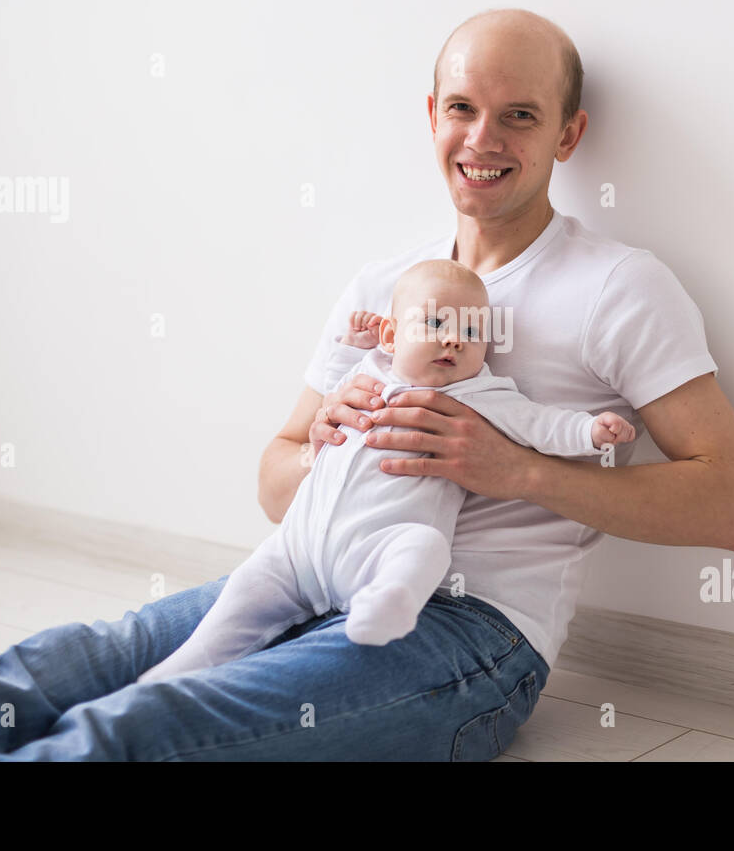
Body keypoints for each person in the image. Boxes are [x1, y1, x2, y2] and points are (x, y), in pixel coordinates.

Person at [0, 7, 734, 762]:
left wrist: (516, 470)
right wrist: (325, 446)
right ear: (431, 117)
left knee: (135, 731)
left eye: (521, 113)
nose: (485, 137)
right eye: (464, 107)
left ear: (569, 134)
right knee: (56, 669)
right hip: (305, 575)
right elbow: (273, 481)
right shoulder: (385, 291)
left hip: (469, 636)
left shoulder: (617, 286)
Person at [137, 259, 636, 683]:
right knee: (240, 598)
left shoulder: (480, 395)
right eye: (436, 324)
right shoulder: (366, 371)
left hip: (377, 550)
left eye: (471, 332)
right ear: (393, 335)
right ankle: (180, 669)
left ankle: (390, 602)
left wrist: (590, 431)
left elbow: (539, 424)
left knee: (425, 547)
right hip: (296, 550)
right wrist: (348, 346)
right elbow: (328, 392)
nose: (455, 341)